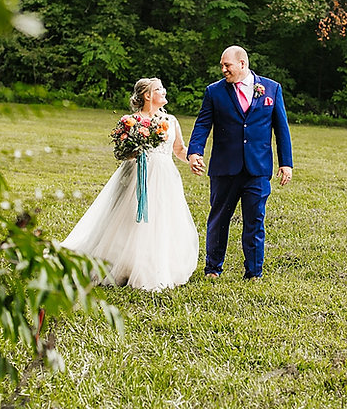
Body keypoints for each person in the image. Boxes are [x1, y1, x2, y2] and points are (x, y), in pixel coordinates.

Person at [61, 78, 199, 291]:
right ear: (147, 95)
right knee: (127, 219)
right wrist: (136, 149)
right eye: (159, 89)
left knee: (161, 220)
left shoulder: (171, 120)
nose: (164, 91)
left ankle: (154, 264)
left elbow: (179, 149)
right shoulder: (130, 121)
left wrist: (191, 158)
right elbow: (121, 152)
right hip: (136, 175)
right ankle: (120, 263)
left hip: (164, 178)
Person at [187, 45, 293, 280]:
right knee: (218, 219)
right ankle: (213, 269)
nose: (223, 69)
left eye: (228, 65)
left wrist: (286, 163)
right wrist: (195, 151)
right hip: (225, 168)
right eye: (222, 66)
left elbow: (281, 128)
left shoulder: (271, 89)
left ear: (242, 64)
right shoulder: (214, 92)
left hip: (258, 168)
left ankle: (254, 272)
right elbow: (203, 123)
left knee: (255, 220)